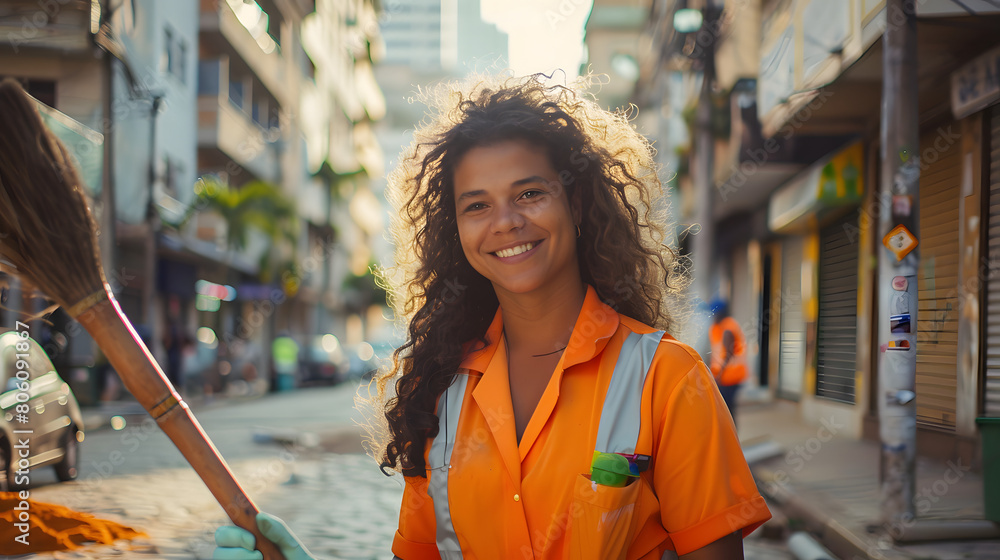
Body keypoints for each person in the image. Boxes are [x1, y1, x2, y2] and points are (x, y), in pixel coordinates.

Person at [214, 74, 771, 559]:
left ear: (575, 205)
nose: (504, 222)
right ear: (456, 230)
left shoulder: (668, 380)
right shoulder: (438, 391)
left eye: (529, 193)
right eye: (476, 204)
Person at [708, 300, 748, 425]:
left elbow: (728, 355)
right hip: (726, 376)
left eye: (714, 313)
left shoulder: (727, 328)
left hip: (729, 376)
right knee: (727, 409)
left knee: (726, 410)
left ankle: (731, 437)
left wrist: (719, 374)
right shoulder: (720, 327)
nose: (712, 316)